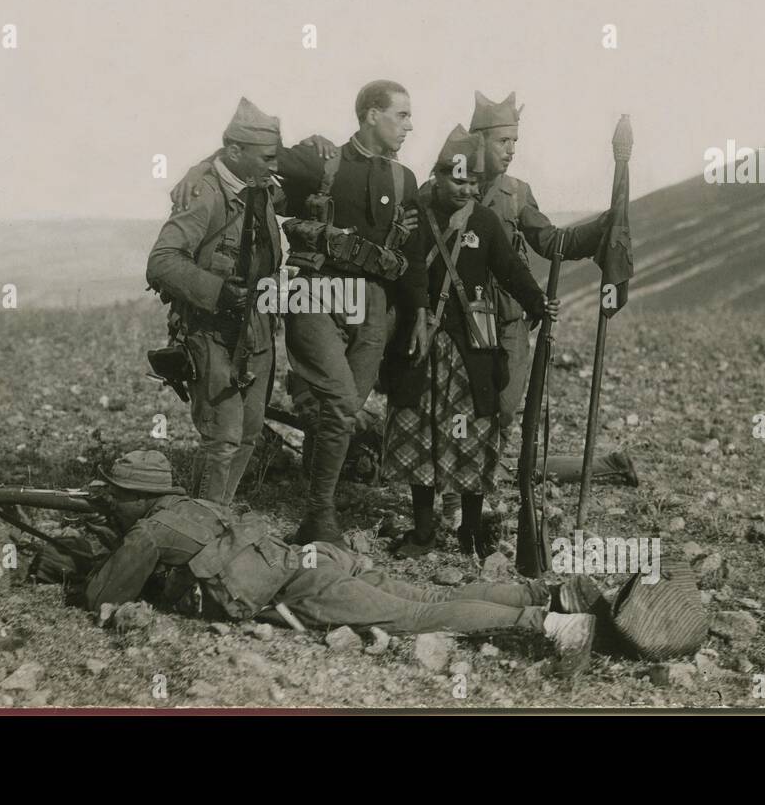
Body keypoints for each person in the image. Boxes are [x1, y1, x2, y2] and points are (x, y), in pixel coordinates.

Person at [82, 449, 600, 675]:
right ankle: (546, 594)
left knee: (415, 619)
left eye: (113, 494)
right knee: (430, 595)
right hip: (320, 560)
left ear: (133, 496)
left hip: (301, 586)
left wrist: (108, 546)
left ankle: (548, 623)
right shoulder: (191, 506)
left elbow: (103, 597)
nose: (108, 500)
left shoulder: (149, 530)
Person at [382, 126, 555, 559]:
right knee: (418, 434)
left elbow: (510, 268)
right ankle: (423, 532)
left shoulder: (485, 221)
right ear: (438, 175)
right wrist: (419, 310)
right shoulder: (416, 214)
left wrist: (537, 302)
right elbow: (407, 271)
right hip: (420, 345)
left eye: (473, 182)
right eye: (458, 179)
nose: (466, 189)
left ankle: (471, 532)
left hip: (472, 349)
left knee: (473, 440)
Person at [273, 80, 427, 546]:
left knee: (347, 406)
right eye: (401, 115)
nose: (409, 125)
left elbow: (414, 254)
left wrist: (417, 312)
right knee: (340, 405)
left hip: (373, 304)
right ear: (370, 115)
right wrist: (293, 146)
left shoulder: (404, 181)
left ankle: (315, 464)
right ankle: (319, 514)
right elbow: (255, 154)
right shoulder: (323, 161)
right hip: (318, 292)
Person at [467, 90, 638, 487]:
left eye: (515, 142)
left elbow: (553, 243)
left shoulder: (518, 193)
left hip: (508, 313)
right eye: (501, 141)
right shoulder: (453, 183)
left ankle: (485, 475)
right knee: (468, 402)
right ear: (478, 139)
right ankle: (462, 488)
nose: (510, 150)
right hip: (464, 311)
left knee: (506, 407)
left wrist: (602, 226)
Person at [146, 98, 283, 504]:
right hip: (212, 332)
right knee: (221, 438)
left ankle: (216, 514)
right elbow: (161, 262)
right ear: (236, 152)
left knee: (248, 433)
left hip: (256, 331)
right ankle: (200, 525)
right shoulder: (204, 194)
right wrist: (218, 292)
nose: (275, 164)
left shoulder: (259, 186)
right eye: (267, 157)